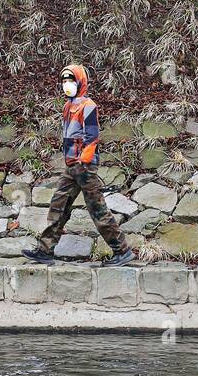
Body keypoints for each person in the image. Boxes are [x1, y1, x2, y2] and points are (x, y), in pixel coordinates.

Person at [23, 63, 134, 267]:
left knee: (97, 208)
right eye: (64, 81)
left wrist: (84, 160)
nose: (67, 84)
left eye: (71, 80)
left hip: (84, 166)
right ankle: (45, 250)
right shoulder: (68, 106)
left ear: (80, 81)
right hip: (71, 165)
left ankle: (122, 250)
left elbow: (92, 137)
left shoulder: (88, 105)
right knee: (59, 205)